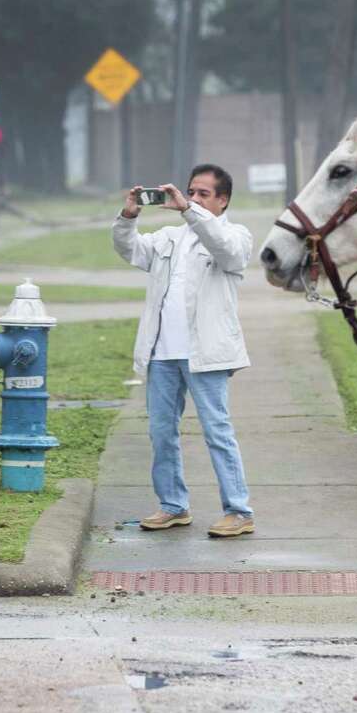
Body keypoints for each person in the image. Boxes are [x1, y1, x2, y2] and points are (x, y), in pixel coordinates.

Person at [112, 165, 255, 537]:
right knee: (161, 433)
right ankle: (173, 506)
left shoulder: (236, 235)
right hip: (162, 353)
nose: (193, 199)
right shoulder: (169, 237)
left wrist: (191, 212)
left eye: (204, 194)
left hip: (206, 354)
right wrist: (128, 215)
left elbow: (227, 251)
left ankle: (239, 511)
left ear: (223, 201)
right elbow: (130, 249)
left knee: (217, 431)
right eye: (191, 192)